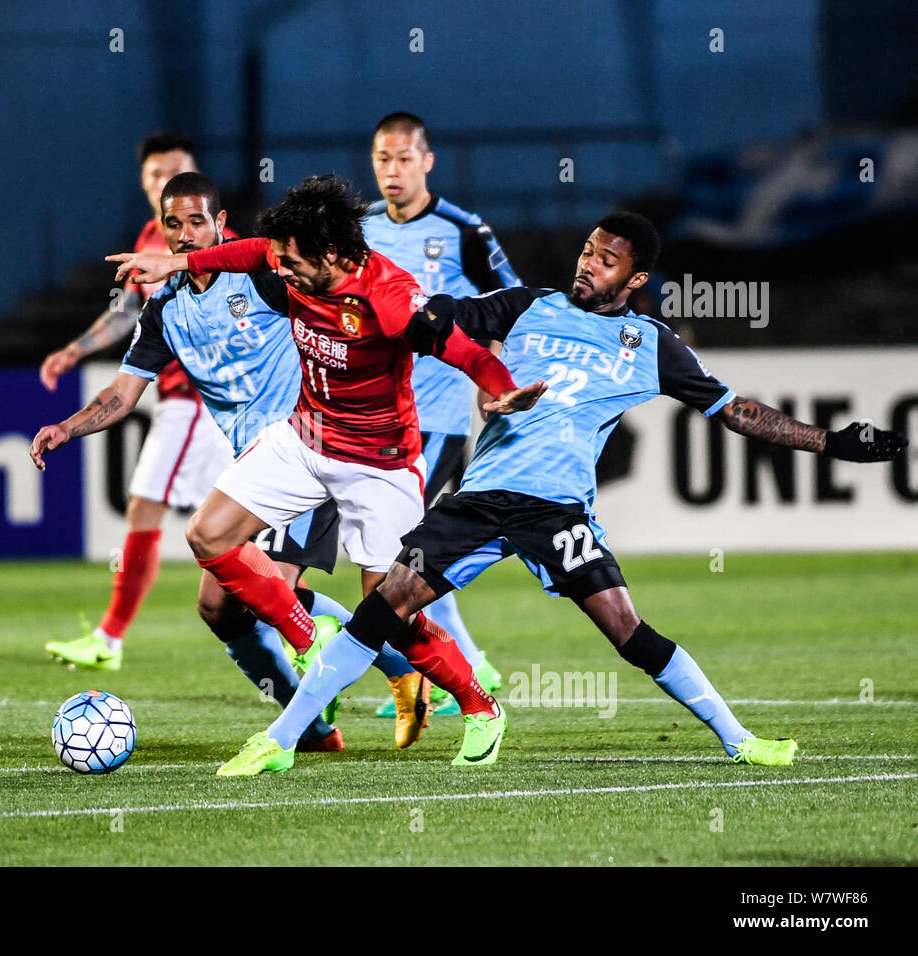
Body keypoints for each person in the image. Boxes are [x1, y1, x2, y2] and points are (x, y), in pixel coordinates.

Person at [214, 210, 909, 775]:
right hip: (479, 499)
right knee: (380, 609)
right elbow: (438, 319)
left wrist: (832, 443)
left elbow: (738, 412)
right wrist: (367, 297)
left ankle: (739, 740)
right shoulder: (528, 306)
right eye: (586, 249)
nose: (587, 263)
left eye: (606, 259)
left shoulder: (651, 343)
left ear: (635, 278)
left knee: (629, 634)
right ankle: (279, 740)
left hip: (558, 512)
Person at [108, 174, 546, 768]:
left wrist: (499, 391)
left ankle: (479, 705)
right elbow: (249, 251)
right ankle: (311, 642)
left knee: (393, 617)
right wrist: (170, 261)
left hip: (380, 466)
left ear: (334, 257)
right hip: (305, 439)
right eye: (278, 255)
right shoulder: (294, 253)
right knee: (208, 534)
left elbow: (463, 349)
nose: (278, 269)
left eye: (289, 261)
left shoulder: (389, 298)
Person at [33, 172, 417, 750]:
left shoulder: (264, 280)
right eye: (173, 223)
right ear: (160, 229)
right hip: (256, 469)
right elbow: (122, 394)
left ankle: (378, 676)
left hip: (310, 451)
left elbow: (330, 292)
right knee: (220, 610)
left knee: (273, 592)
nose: (185, 235)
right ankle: (329, 713)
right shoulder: (164, 311)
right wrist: (68, 427)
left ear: (219, 224)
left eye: (197, 222)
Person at [40, 132, 234, 670]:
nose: (162, 182)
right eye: (154, 174)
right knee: (221, 532)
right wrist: (74, 350)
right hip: (184, 401)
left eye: (175, 171)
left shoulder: (218, 245)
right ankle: (302, 627)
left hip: (198, 401)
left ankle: (112, 637)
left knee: (165, 510)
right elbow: (129, 314)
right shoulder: (154, 239)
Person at [364, 110, 518, 721]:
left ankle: (459, 667)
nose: (393, 171)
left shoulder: (462, 228)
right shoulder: (361, 227)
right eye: (383, 159)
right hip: (378, 413)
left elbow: (513, 300)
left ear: (427, 162)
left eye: (405, 159)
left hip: (439, 413)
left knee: (409, 548)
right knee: (403, 549)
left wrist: (494, 371)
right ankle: (448, 667)